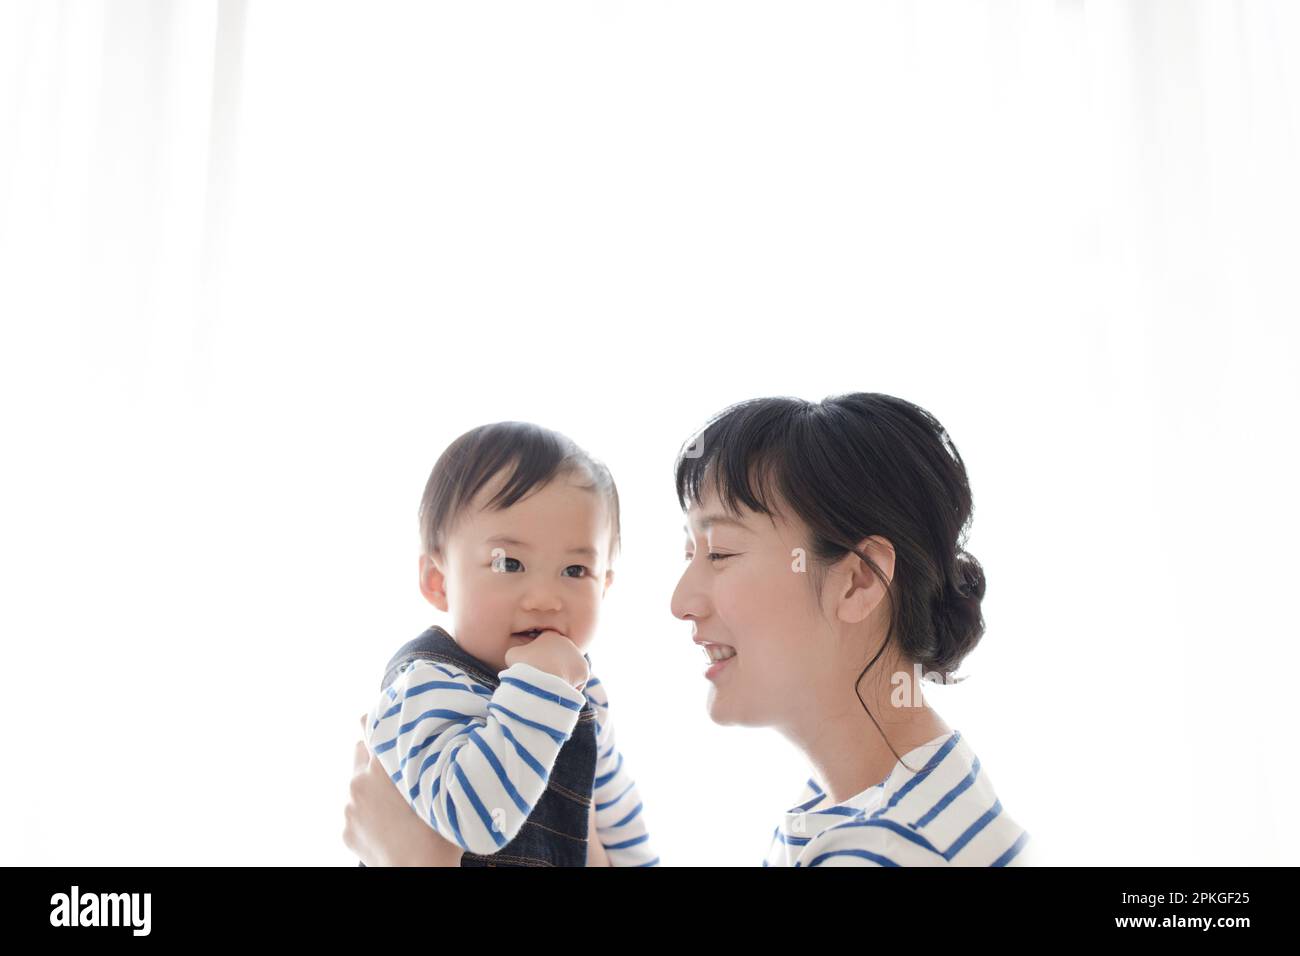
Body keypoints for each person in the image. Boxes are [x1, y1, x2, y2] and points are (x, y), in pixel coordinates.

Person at [346, 393, 1033, 866]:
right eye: (687, 554)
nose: (679, 601)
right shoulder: (859, 807)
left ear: (857, 580)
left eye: (722, 553)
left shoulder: (888, 846)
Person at [351, 421, 658, 867]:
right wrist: (540, 687)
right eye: (509, 563)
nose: (545, 599)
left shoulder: (584, 693)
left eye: (575, 571)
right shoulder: (422, 685)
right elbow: (475, 821)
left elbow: (620, 823)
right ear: (438, 581)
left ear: (605, 585)